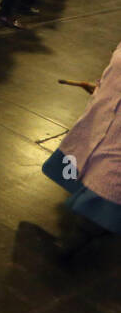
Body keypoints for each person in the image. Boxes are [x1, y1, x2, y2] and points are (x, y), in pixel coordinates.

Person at [42, 39, 121, 249]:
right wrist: (100, 87)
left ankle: (82, 234)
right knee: (86, 166)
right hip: (102, 117)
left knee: (108, 185)